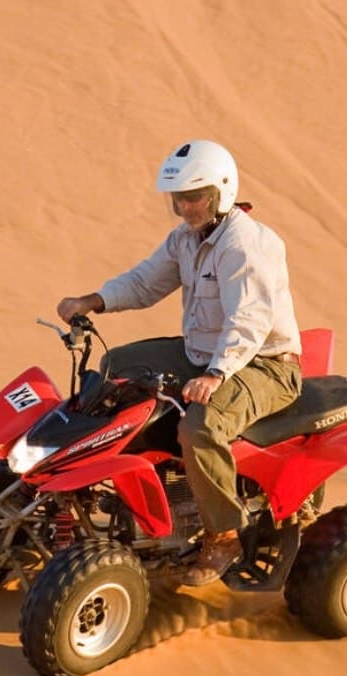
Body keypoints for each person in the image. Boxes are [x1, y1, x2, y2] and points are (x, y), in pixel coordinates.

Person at [57, 139, 302, 585]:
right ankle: (130, 485)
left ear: (221, 193)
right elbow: (145, 282)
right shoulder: (186, 240)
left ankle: (223, 535)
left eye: (195, 198)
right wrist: (93, 300)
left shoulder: (244, 247)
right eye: (179, 199)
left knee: (201, 426)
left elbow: (249, 321)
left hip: (263, 365)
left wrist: (215, 374)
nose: (186, 208)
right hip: (202, 354)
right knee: (116, 369)